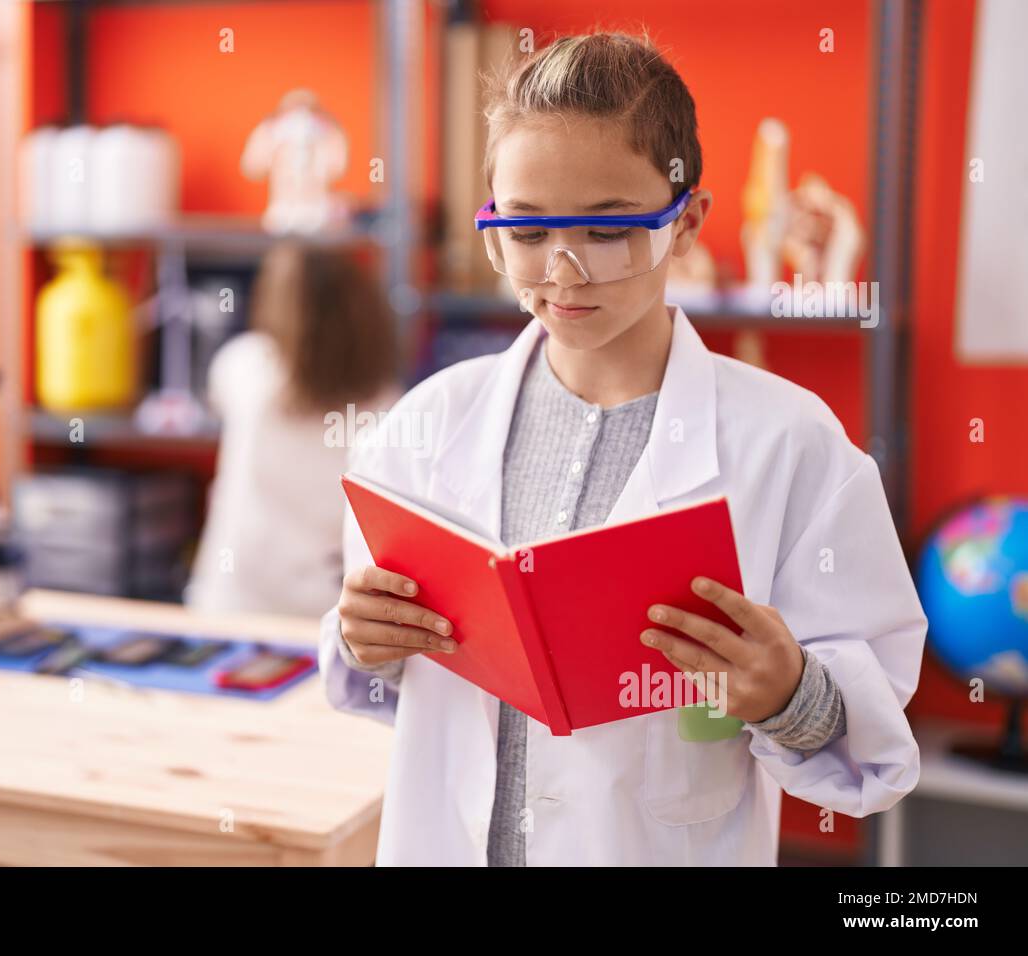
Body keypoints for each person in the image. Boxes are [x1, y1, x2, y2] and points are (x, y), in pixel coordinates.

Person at [319, 32, 927, 866]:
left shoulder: (792, 448)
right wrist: (362, 639)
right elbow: (387, 686)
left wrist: (791, 697)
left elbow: (873, 748)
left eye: (609, 233)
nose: (563, 273)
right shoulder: (426, 428)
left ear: (687, 224)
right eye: (525, 234)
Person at [186, 241, 403, 619]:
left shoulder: (245, 367)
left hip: (229, 601)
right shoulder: (389, 403)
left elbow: (217, 397)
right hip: (326, 610)